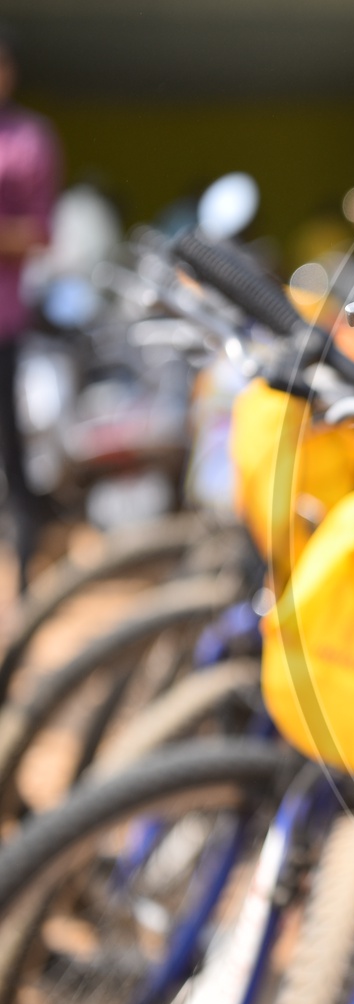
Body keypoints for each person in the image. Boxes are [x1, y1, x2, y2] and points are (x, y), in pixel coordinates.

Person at [0, 25, 58, 593]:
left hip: (4, 320)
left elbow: (40, 232)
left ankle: (22, 578)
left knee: (11, 456)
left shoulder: (28, 138)